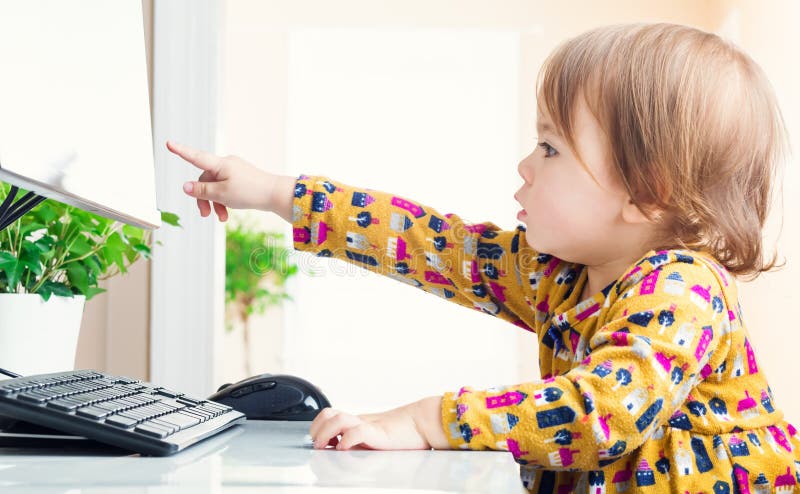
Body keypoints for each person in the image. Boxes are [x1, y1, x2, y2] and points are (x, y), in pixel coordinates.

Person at [167, 22, 799, 493]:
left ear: (647, 191)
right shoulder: (563, 276)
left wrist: (426, 420)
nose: (525, 166)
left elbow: (602, 411)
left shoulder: (684, 289)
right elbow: (431, 244)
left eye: (550, 148)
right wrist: (277, 193)